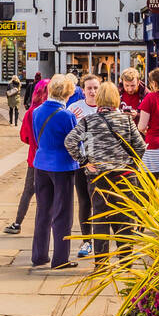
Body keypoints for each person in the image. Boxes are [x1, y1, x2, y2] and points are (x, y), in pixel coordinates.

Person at [64, 81, 143, 267]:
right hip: (124, 176)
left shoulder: (88, 121)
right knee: (125, 217)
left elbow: (70, 141)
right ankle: (126, 262)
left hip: (98, 177)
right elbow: (140, 146)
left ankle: (101, 263)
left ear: (99, 99)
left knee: (100, 217)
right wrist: (130, 163)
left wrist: (84, 161)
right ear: (116, 99)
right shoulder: (126, 120)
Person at [31, 74, 80, 270]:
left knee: (43, 210)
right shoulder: (67, 115)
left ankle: (39, 254)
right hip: (62, 166)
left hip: (41, 164)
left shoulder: (37, 111)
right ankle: (60, 258)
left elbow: (36, 137)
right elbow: (74, 141)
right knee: (63, 212)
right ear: (67, 93)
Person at [5, 81, 49, 233]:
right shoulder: (56, 110)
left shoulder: (31, 112)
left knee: (28, 191)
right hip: (52, 161)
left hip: (35, 159)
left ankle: (18, 223)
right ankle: (46, 225)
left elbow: (24, 137)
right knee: (49, 193)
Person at [67, 74, 101, 258]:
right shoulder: (74, 108)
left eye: (95, 88)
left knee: (101, 202)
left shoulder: (106, 108)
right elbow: (69, 137)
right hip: (81, 162)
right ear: (83, 90)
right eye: (89, 88)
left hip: (102, 164)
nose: (93, 91)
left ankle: (101, 241)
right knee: (84, 201)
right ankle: (87, 241)